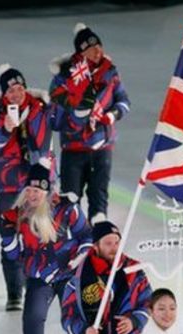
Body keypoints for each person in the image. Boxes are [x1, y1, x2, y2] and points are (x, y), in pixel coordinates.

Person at [0, 162, 92, 334]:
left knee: (75, 313)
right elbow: (13, 256)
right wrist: (7, 233)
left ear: (48, 192)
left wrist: (79, 258)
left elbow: (87, 237)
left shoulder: (68, 209)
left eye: (37, 191)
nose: (32, 195)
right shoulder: (18, 215)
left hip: (68, 273)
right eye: (29, 190)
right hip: (39, 278)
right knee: (32, 317)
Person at [0, 63, 53, 311]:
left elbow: (44, 145)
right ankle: (14, 293)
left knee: (40, 237)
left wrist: (29, 118)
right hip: (7, 188)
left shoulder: (40, 109)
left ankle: (38, 287)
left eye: (19, 88)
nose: (16, 94)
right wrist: (4, 130)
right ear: (3, 95)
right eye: (11, 91)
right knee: (9, 242)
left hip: (36, 187)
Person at [49, 23, 130, 225]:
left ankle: (99, 243)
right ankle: (69, 248)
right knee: (70, 200)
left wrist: (113, 114)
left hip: (102, 146)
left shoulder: (110, 72)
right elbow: (55, 120)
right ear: (81, 52)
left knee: (99, 200)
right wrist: (77, 114)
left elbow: (124, 101)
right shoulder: (64, 77)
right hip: (74, 148)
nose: (97, 51)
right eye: (91, 48)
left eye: (99, 46)